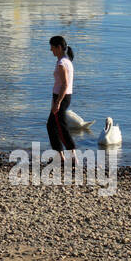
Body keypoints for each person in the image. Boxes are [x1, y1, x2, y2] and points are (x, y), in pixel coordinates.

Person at [47, 36, 76, 167]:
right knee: (52, 126)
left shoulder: (61, 64)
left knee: (60, 126)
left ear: (59, 47)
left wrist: (57, 102)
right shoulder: (66, 61)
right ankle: (60, 156)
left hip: (61, 97)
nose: (50, 50)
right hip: (63, 97)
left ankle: (72, 156)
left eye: (52, 47)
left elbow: (64, 84)